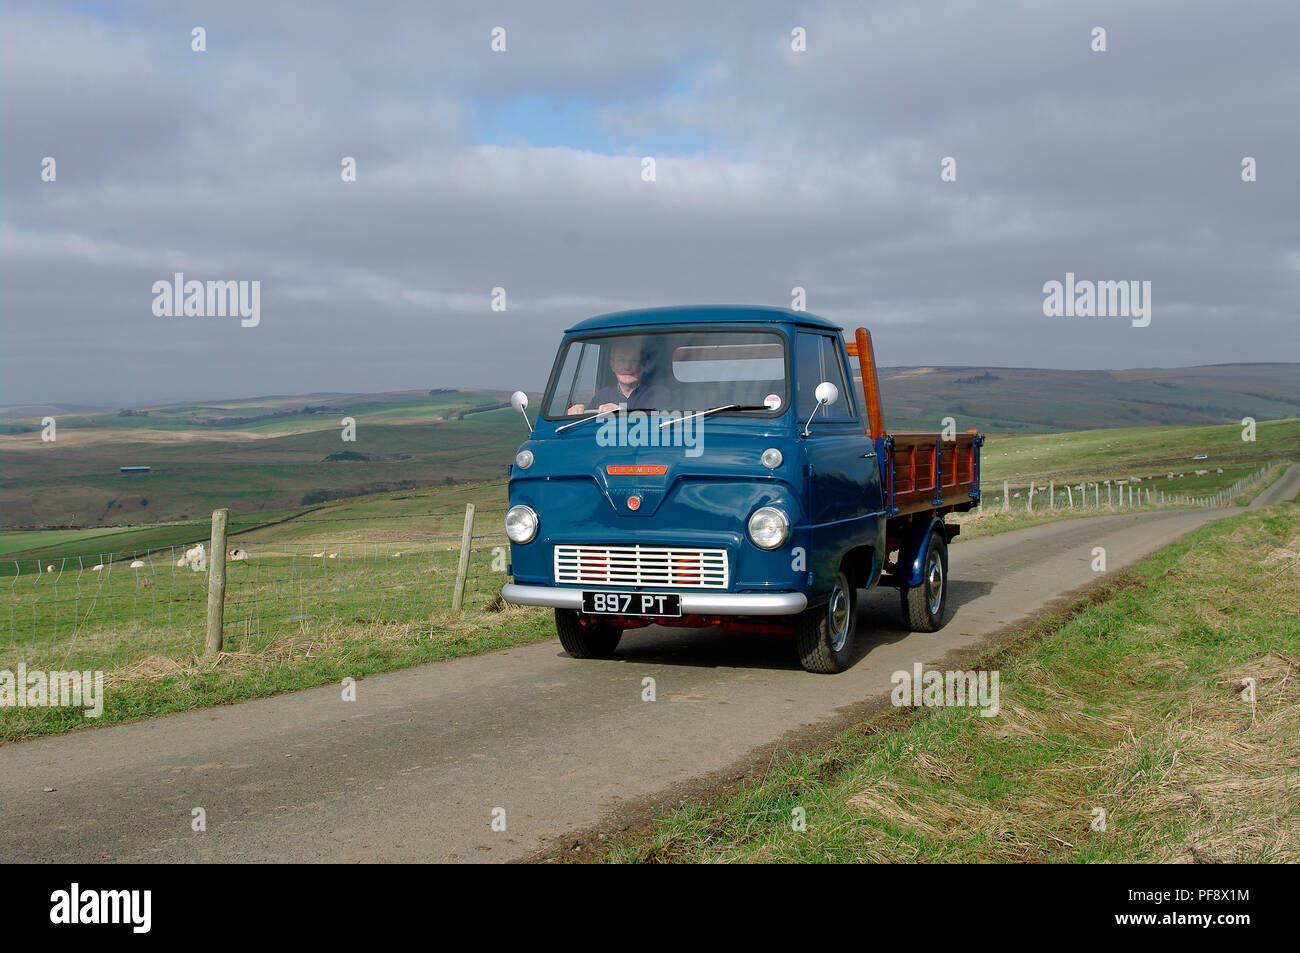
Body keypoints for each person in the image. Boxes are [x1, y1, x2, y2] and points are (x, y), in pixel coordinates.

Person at [567, 341, 670, 414]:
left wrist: (621, 412)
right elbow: (586, 426)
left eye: (633, 361)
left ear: (644, 365)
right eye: (621, 361)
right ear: (612, 366)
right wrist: (577, 412)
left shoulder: (658, 394)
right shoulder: (601, 396)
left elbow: (660, 424)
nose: (627, 367)